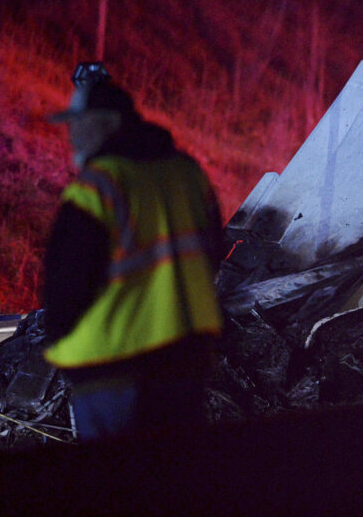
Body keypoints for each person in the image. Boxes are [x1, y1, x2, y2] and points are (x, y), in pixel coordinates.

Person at [40, 62, 226, 441]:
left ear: (107, 124)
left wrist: (58, 336)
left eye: (78, 123)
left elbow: (67, 281)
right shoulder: (187, 173)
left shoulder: (98, 187)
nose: (71, 134)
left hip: (111, 368)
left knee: (117, 477)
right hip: (185, 361)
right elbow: (211, 252)